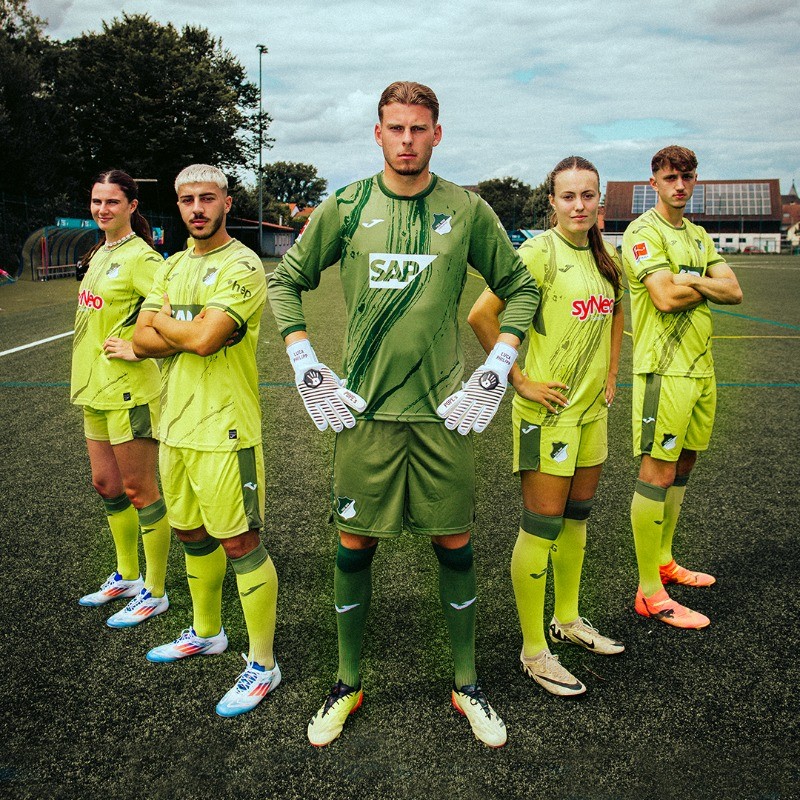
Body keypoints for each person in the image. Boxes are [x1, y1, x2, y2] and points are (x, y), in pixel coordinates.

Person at [268, 80, 539, 748]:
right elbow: (286, 279)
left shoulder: (467, 209)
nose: (408, 140)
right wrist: (303, 358)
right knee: (354, 545)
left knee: (456, 544)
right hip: (363, 414)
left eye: (419, 128)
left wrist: (496, 367)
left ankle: (467, 683)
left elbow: (521, 287)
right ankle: (346, 682)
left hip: (445, 414)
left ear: (437, 134)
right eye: (396, 128)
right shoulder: (346, 205)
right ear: (378, 133)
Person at [468, 156, 625, 698]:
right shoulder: (537, 253)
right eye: (568, 196)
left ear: (599, 200)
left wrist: (610, 371)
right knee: (541, 527)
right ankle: (534, 650)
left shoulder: (607, 257)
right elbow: (481, 315)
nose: (579, 205)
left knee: (577, 520)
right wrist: (519, 380)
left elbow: (616, 312)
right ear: (552, 202)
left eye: (588, 195)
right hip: (548, 414)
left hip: (591, 413)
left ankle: (568, 619)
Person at [132, 164, 280, 717]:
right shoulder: (171, 266)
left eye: (207, 198)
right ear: (178, 204)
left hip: (226, 430)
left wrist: (170, 327)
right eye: (188, 199)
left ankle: (263, 663)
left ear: (226, 202)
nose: (197, 208)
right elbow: (139, 340)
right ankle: (206, 631)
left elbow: (204, 340)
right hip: (175, 425)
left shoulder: (243, 264)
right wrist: (180, 332)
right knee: (190, 533)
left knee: (239, 543)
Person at [622, 145, 742, 628]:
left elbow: (734, 290)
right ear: (653, 182)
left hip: (700, 367)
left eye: (687, 177)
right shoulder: (642, 232)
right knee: (657, 472)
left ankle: (665, 561)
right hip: (663, 370)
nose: (679, 185)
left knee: (684, 464)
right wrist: (701, 283)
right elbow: (664, 298)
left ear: (695, 180)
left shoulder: (697, 235)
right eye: (670, 178)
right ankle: (648, 591)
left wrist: (686, 278)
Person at [71, 169, 171, 629]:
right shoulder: (99, 252)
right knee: (106, 485)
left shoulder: (142, 258)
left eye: (112, 201)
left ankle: (155, 590)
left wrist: (140, 347)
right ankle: (127, 576)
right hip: (94, 388)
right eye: (97, 201)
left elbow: (174, 310)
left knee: (139, 490)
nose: (102, 209)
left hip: (130, 391)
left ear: (132, 206)